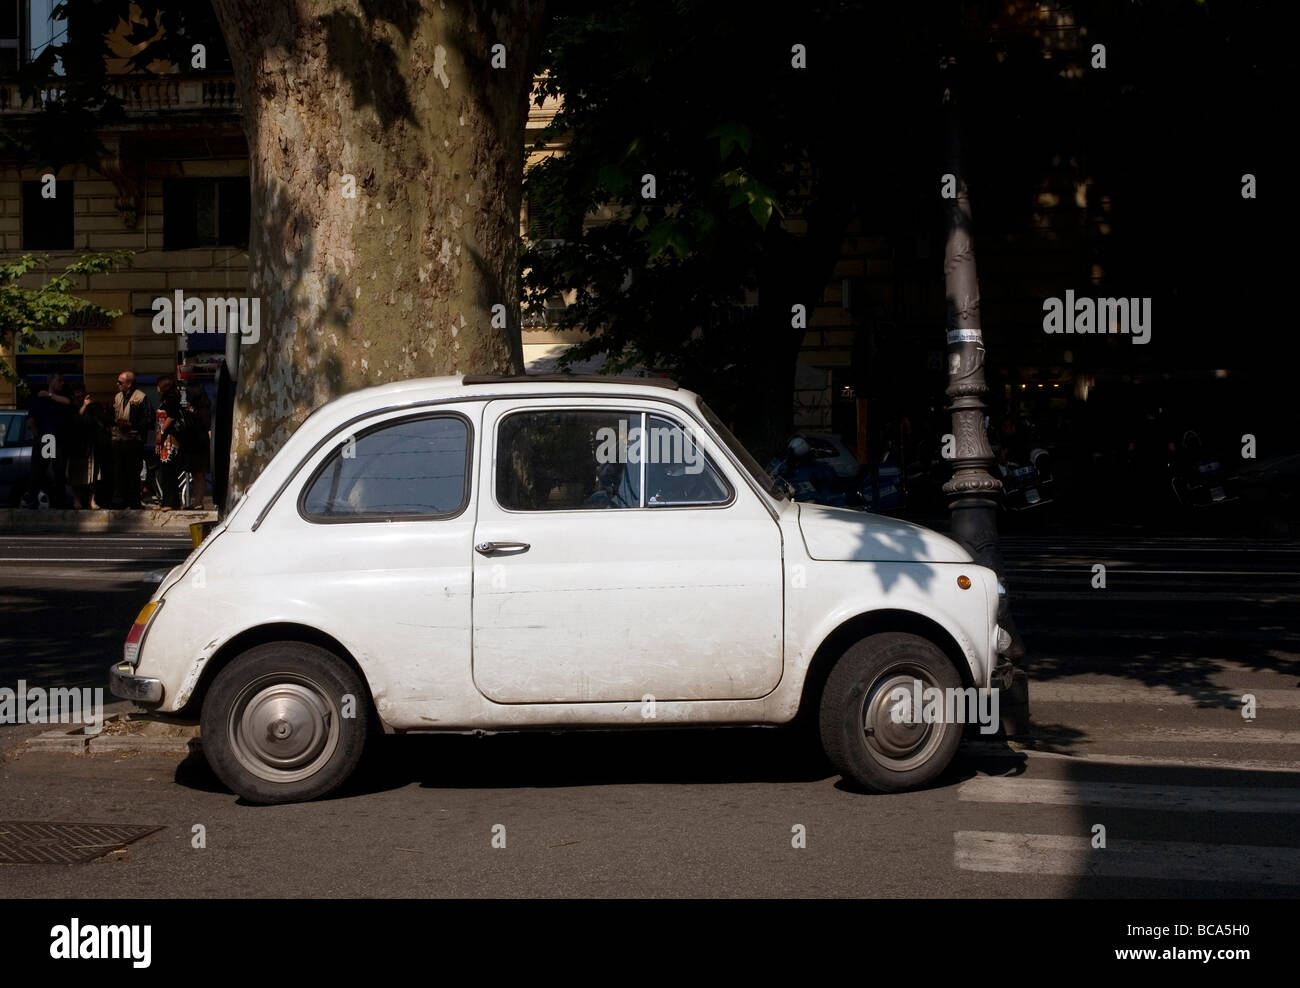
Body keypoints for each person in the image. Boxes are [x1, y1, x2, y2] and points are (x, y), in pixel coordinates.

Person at [25, 372, 72, 508]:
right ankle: (34, 499)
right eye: (59, 380)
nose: (62, 383)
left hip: (60, 440)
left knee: (58, 472)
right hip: (48, 439)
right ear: (51, 382)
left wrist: (49, 395)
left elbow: (67, 402)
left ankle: (58, 501)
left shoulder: (59, 397)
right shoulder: (39, 400)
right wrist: (38, 438)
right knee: (44, 471)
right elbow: (31, 420)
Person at [111, 370, 152, 509]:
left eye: (120, 382)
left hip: (134, 441)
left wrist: (132, 425)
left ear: (129, 384)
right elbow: (113, 414)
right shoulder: (118, 397)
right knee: (118, 471)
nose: (117, 384)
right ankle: (119, 500)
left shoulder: (141, 397)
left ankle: (133, 501)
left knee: (133, 472)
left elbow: (149, 419)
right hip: (119, 441)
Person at [66, 384, 106, 509]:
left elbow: (99, 421)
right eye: (77, 392)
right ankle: (77, 500)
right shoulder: (70, 407)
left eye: (81, 392)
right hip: (76, 446)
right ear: (73, 395)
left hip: (90, 445)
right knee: (76, 475)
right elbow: (75, 421)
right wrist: (84, 406)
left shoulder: (91, 407)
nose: (80, 395)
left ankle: (91, 501)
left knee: (93, 474)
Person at [153, 373, 183, 510]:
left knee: (169, 470)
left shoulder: (172, 400)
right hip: (163, 440)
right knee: (164, 471)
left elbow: (170, 417)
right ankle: (166, 501)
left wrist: (162, 432)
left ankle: (171, 502)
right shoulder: (165, 400)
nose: (156, 388)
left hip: (169, 439)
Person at [184, 381, 212, 508]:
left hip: (199, 443)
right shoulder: (201, 408)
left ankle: (198, 500)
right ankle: (197, 500)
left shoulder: (203, 410)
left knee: (199, 474)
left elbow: (204, 424)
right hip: (196, 443)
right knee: (196, 474)